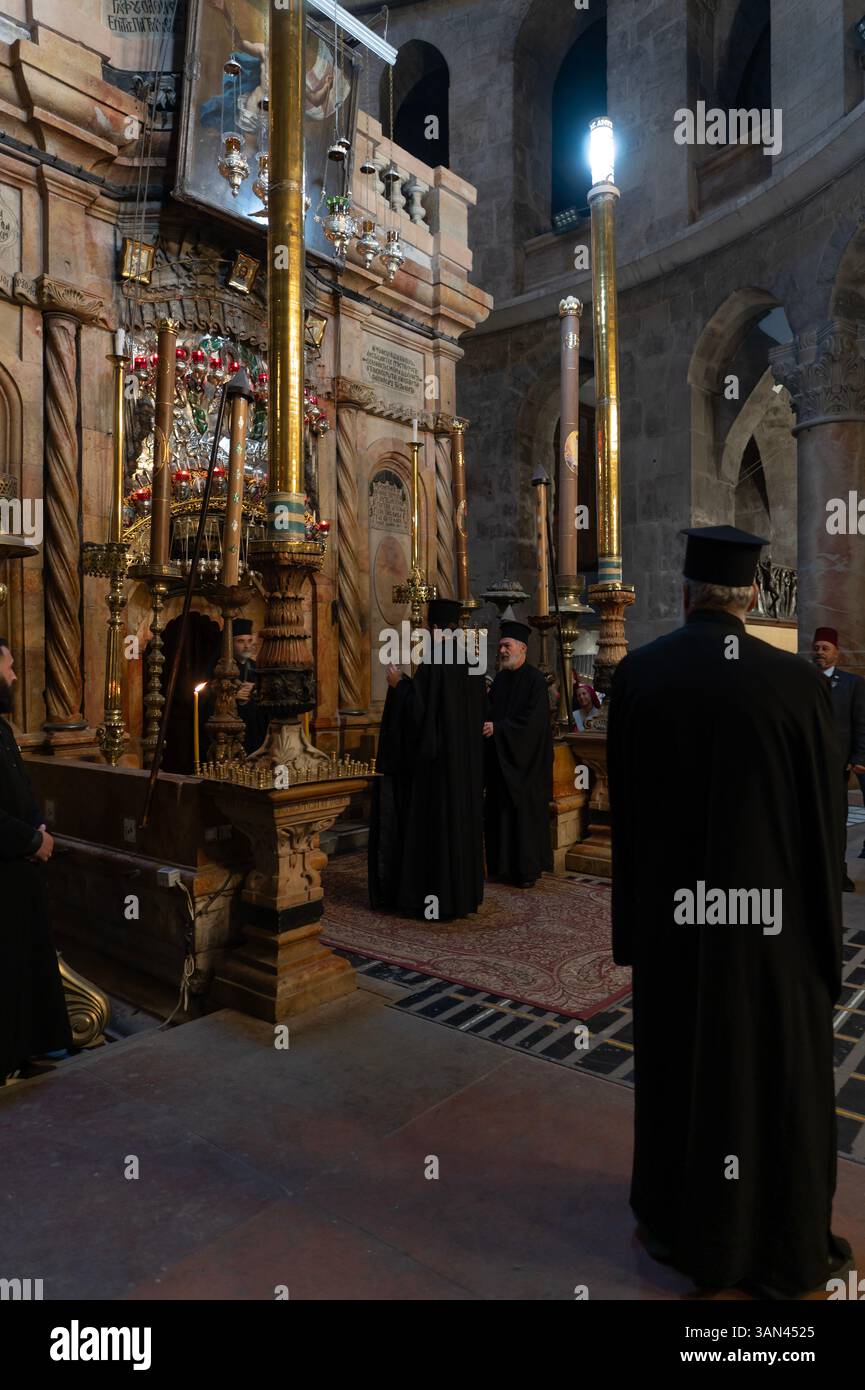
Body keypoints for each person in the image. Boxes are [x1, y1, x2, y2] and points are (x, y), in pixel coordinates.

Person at [608, 525, 851, 1298]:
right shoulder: (799, 684)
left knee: (684, 1067)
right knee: (771, 1072)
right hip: (773, 930)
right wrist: (824, 937)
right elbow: (822, 819)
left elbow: (629, 820)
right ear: (751, 599)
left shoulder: (638, 676)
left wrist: (635, 930)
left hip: (677, 927)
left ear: (684, 593)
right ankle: (779, 1240)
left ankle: (680, 1224)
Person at [368, 598, 485, 919]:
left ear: (434, 629)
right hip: (464, 768)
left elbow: (420, 716)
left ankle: (434, 901)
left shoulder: (434, 663)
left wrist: (399, 685)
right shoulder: (471, 662)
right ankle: (462, 897)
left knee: (436, 831)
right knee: (459, 829)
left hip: (437, 772)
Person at [0, 637, 73, 1084]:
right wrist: (30, 839)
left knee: (24, 959)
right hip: (6, 863)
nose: (12, 675)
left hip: (20, 865)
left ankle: (25, 1048)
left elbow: (19, 792)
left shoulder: (4, 731)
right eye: (6, 666)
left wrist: (37, 831)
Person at [483, 620, 553, 887]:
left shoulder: (536, 681)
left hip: (526, 765)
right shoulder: (501, 679)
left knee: (523, 819)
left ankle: (525, 871)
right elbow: (490, 712)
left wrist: (499, 729)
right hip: (503, 762)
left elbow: (532, 725)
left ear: (522, 648)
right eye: (500, 646)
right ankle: (503, 867)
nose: (501, 651)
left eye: (506, 646)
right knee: (500, 816)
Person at [811, 626, 865, 887]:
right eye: (817, 648)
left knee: (835, 819)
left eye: (825, 648)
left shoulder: (853, 684)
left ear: (837, 654)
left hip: (837, 765)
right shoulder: (801, 679)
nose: (820, 652)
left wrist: (858, 756)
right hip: (806, 763)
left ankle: (838, 872)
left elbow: (861, 724)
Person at [231, 618, 269, 754]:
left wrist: (256, 689)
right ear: (230, 644)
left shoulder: (256, 667)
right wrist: (232, 696)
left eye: (249, 641)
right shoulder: (221, 667)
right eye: (241, 641)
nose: (246, 646)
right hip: (231, 730)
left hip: (254, 729)